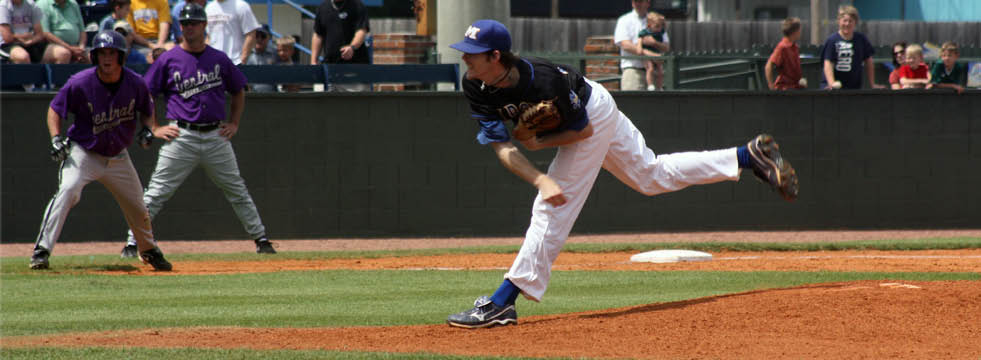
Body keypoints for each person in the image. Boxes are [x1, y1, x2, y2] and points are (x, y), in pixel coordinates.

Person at [444, 19, 799, 329]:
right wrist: (538, 175)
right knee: (650, 176)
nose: (464, 58)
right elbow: (503, 148)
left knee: (551, 207)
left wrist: (539, 145)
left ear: (495, 56)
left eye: (472, 53)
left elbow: (583, 131)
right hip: (590, 108)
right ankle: (746, 156)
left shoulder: (544, 80)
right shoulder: (474, 85)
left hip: (592, 113)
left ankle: (503, 301)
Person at [121, 3, 275, 257]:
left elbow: (238, 90)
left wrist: (234, 123)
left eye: (193, 23)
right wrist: (154, 127)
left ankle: (262, 239)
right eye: (184, 23)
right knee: (156, 193)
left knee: (237, 190)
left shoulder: (219, 58)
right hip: (181, 134)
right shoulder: (168, 58)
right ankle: (132, 242)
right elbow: (147, 94)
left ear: (204, 25)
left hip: (215, 135)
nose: (188, 27)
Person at [31, 30, 172, 271]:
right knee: (68, 190)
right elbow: (55, 109)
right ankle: (41, 251)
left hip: (118, 156)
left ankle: (148, 250)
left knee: (137, 205)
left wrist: (149, 129)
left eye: (112, 53)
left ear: (121, 57)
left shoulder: (135, 82)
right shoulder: (80, 82)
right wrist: (56, 138)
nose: (107, 58)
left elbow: (147, 109)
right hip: (84, 152)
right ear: (95, 56)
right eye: (102, 53)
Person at [310, 0, 369, 91]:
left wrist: (352, 47)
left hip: (354, 70)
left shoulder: (357, 6)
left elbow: (361, 31)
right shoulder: (322, 8)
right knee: (320, 97)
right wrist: (313, 61)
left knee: (356, 100)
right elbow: (318, 35)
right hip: (329, 69)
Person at [820, 5, 883, 90]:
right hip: (833, 90)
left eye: (850, 21)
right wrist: (832, 84)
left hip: (854, 89)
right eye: (844, 21)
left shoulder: (861, 39)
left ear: (855, 22)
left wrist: (872, 84)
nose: (847, 24)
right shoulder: (832, 40)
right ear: (839, 21)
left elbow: (869, 61)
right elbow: (828, 63)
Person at [205, 0, 260, 65]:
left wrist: (243, 59)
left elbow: (251, 34)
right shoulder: (209, 8)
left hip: (235, 62)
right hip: (213, 63)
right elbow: (209, 36)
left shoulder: (241, 6)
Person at [613, 0, 651, 91]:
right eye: (634, 1)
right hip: (633, 70)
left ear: (648, 2)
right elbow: (624, 44)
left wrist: (654, 43)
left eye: (640, 1)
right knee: (634, 100)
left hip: (655, 71)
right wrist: (649, 54)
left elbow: (666, 45)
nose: (637, 4)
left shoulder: (655, 19)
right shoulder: (624, 20)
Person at [0, 0, 48, 65]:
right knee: (22, 57)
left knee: (60, 54)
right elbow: (7, 38)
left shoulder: (31, 4)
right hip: (6, 45)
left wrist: (31, 41)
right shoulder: (3, 6)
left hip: (30, 43)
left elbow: (40, 35)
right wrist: (24, 37)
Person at [765, 17, 804, 90]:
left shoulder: (794, 47)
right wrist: (771, 86)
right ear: (795, 32)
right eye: (799, 30)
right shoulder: (782, 47)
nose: (800, 32)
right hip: (785, 89)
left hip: (795, 88)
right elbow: (768, 66)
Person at [638, 11, 669, 91]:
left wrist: (654, 43)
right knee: (650, 68)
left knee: (660, 70)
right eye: (657, 26)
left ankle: (660, 86)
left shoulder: (661, 32)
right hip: (647, 54)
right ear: (649, 25)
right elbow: (640, 39)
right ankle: (650, 85)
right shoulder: (645, 32)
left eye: (661, 26)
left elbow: (666, 47)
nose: (659, 28)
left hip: (656, 53)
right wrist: (639, 47)